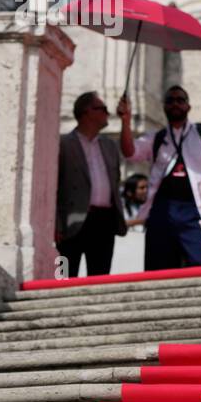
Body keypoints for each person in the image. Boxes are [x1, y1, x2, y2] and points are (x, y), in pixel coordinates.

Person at [118, 85, 201, 270]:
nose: (175, 104)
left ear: (188, 106)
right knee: (158, 269)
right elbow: (130, 152)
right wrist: (125, 121)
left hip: (198, 212)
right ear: (164, 107)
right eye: (170, 100)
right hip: (162, 211)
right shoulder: (155, 138)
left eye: (180, 100)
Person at [56, 92, 127, 277]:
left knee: (100, 277)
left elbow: (116, 181)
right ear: (87, 112)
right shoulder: (62, 144)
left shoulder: (110, 146)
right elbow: (53, 186)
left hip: (104, 222)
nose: (108, 113)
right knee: (62, 276)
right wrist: (55, 224)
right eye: (103, 109)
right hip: (70, 222)